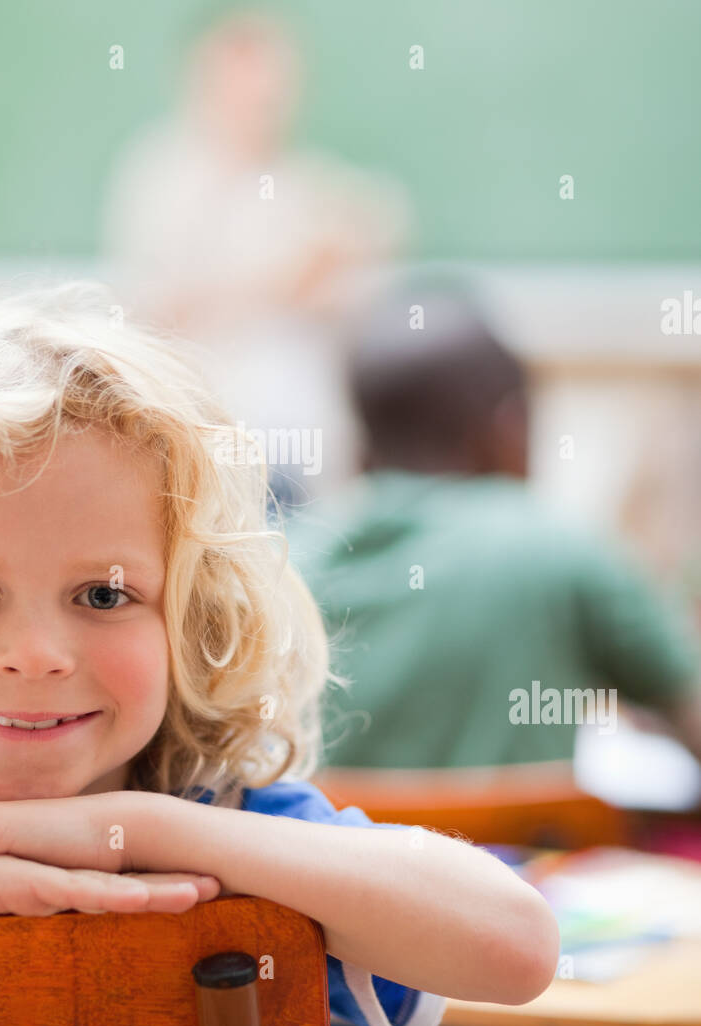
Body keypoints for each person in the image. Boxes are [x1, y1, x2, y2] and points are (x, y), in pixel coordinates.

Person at [0, 279, 557, 1026]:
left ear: (191, 623)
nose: (35, 655)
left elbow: (516, 944)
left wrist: (140, 831)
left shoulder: (210, 809)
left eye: (104, 595)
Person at [285, 282, 701, 771]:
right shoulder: (557, 546)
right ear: (509, 428)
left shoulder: (287, 562)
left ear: (361, 447)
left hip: (328, 824)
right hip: (540, 825)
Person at [99, 7, 411, 507]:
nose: (263, 93)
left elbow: (352, 294)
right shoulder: (165, 179)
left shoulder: (304, 182)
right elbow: (156, 316)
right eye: (243, 73)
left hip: (309, 451)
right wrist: (286, 279)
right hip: (215, 446)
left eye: (274, 77)